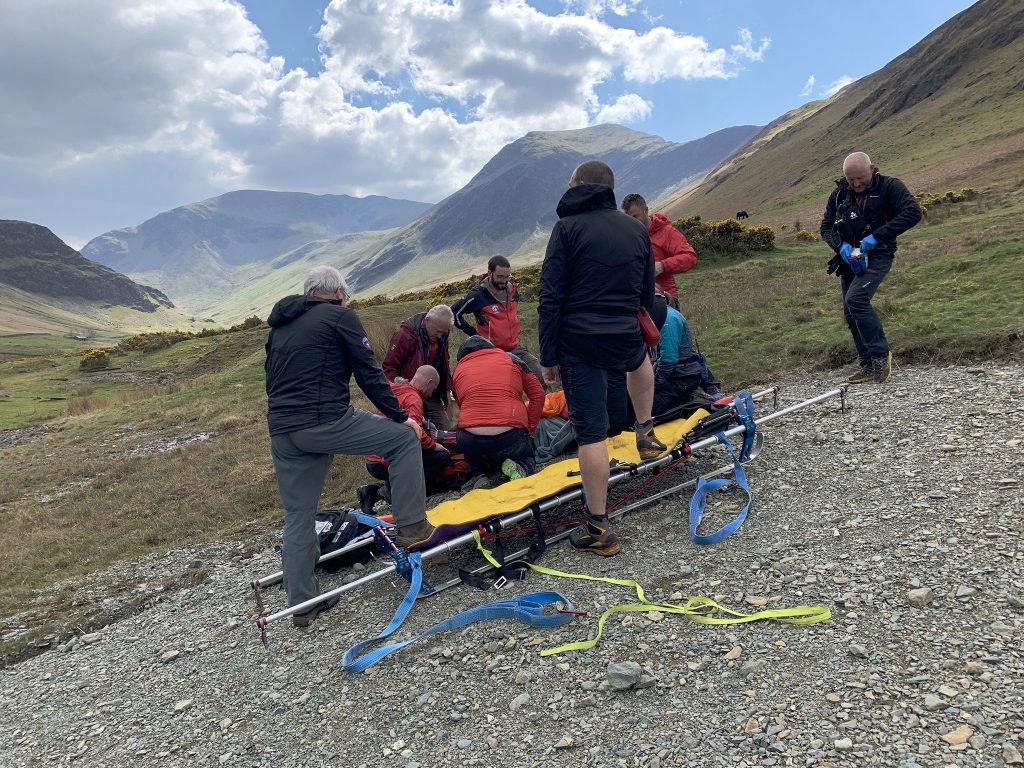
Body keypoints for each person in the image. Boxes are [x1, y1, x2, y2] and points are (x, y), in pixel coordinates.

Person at [265, 266, 434, 627]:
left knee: (299, 514)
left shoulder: (280, 325)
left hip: (283, 429)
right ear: (339, 292)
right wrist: (400, 415)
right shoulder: (340, 316)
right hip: (324, 419)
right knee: (403, 439)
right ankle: (412, 527)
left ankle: (303, 605)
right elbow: (368, 372)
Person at [538, 160, 665, 557]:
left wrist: (549, 354)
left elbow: (551, 295)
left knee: (591, 435)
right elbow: (647, 291)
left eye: (570, 180)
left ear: (578, 185)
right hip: (625, 328)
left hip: (580, 341)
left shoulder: (566, 228)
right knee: (640, 364)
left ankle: (599, 527)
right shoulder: (634, 228)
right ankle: (646, 431)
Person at [820, 151, 921, 384]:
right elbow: (826, 227)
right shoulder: (838, 194)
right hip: (849, 259)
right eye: (850, 179)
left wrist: (876, 237)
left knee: (856, 299)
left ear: (872, 168)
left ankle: (879, 356)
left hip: (878, 252)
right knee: (849, 311)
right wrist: (841, 246)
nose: (855, 184)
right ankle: (866, 364)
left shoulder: (889, 187)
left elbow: (913, 213)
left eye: (859, 178)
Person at [360, 365, 452, 513]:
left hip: (372, 458)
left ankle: (382, 489)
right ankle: (388, 491)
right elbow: (413, 432)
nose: (430, 394)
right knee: (442, 457)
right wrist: (434, 445)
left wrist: (424, 423)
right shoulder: (414, 398)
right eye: (432, 389)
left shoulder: (397, 390)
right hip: (385, 460)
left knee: (415, 455)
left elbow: (402, 420)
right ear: (428, 382)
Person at [452, 336, 544, 483]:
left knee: (474, 456)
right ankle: (521, 466)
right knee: (526, 456)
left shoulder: (457, 370)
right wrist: (529, 430)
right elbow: (538, 395)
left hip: (470, 440)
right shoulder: (512, 359)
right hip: (510, 436)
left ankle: (478, 474)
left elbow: (461, 406)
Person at [450, 255, 545, 386]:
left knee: (540, 379)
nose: (504, 281)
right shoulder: (478, 295)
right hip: (491, 351)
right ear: (490, 273)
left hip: (515, 348)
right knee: (503, 388)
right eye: (500, 277)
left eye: (507, 277)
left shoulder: (513, 290)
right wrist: (475, 334)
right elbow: (453, 313)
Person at [383, 305, 454, 429]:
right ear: (427, 320)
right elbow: (388, 369)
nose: (439, 336)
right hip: (408, 394)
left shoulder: (442, 336)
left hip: (431, 394)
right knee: (413, 431)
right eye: (437, 331)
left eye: (443, 332)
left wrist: (446, 390)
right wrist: (403, 386)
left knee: (444, 432)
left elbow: (445, 364)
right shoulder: (404, 335)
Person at [621, 193, 697, 307]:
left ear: (645, 210)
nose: (632, 222)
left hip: (666, 298)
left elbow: (690, 257)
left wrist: (663, 266)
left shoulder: (666, 232)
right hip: (637, 300)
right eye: (628, 219)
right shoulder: (628, 236)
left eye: (635, 217)